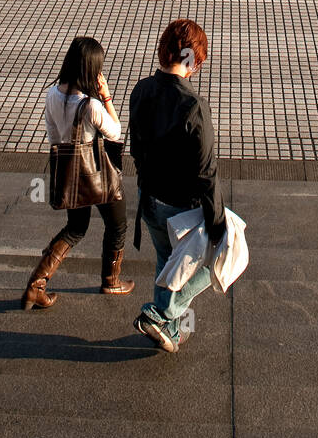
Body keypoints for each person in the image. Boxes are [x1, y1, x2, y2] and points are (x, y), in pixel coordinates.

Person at [129, 19, 225, 353]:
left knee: (167, 260)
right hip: (183, 208)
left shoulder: (141, 90)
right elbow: (206, 172)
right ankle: (162, 314)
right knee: (217, 262)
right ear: (192, 60)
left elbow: (136, 149)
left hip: (150, 199)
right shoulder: (193, 105)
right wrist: (217, 223)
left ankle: (168, 330)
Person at [21, 36, 134, 310]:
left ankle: (37, 283)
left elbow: (52, 134)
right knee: (117, 224)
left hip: (71, 176)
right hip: (97, 174)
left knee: (76, 228)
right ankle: (111, 280)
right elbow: (116, 132)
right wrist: (106, 96)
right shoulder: (91, 106)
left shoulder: (51, 94)